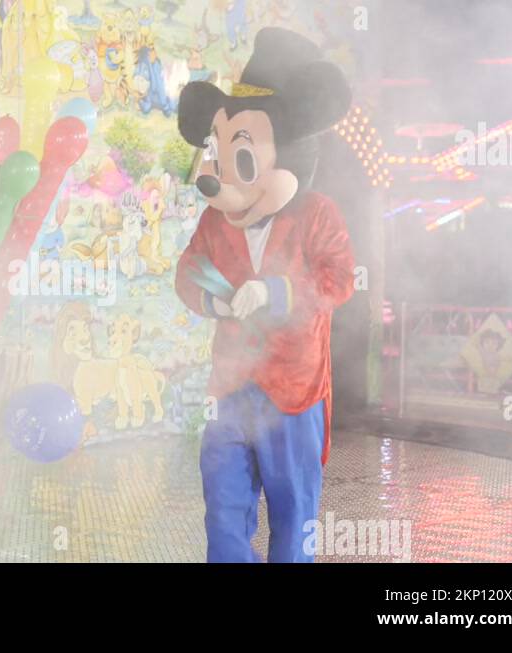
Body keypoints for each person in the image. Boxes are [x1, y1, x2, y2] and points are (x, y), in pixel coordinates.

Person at [174, 28, 354, 562]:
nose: (220, 181)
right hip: (230, 389)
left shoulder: (317, 214)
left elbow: (338, 280)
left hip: (293, 393)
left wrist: (275, 291)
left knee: (294, 514)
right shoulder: (215, 220)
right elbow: (189, 271)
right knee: (223, 509)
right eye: (219, 156)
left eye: (243, 159)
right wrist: (211, 299)